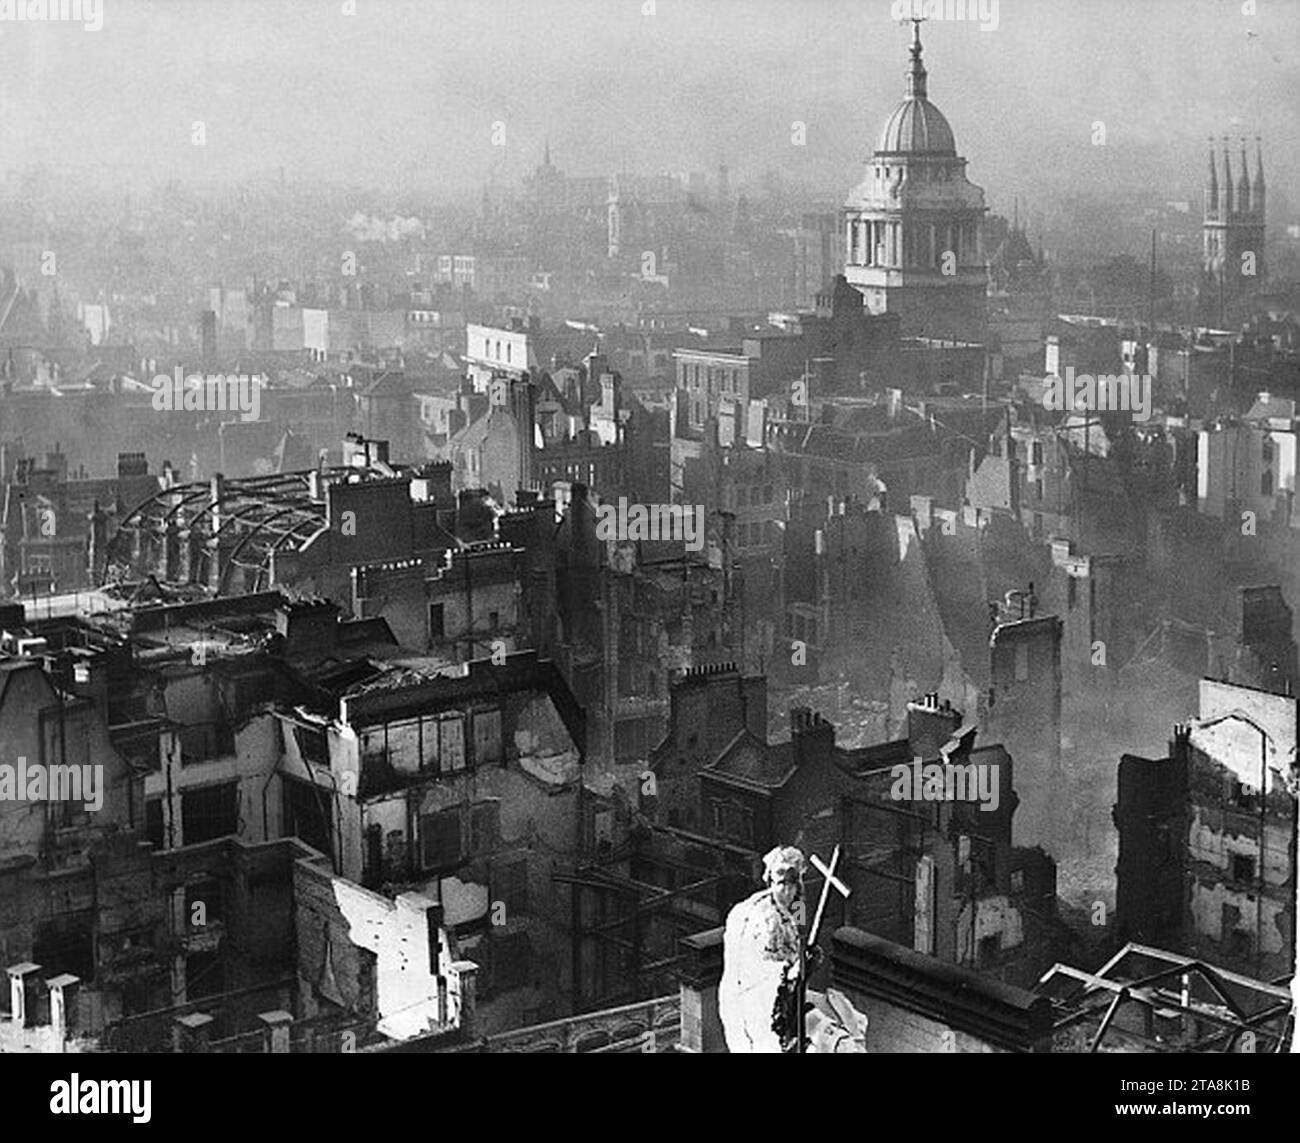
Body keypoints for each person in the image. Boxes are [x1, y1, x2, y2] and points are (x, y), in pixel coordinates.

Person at [719, 845, 807, 1053]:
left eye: (792, 885)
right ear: (771, 882)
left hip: (787, 992)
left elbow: (801, 931)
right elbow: (769, 969)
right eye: (782, 884)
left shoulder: (796, 904)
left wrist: (806, 952)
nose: (787, 891)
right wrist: (796, 968)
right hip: (757, 995)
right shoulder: (766, 919)